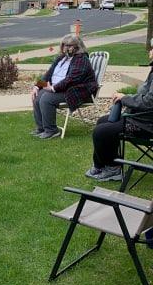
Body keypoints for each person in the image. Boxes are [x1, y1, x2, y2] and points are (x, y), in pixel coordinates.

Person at [85, 42, 153, 182]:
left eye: (152, 48)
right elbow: (145, 96)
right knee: (102, 121)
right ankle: (101, 165)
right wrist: (125, 97)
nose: (149, 51)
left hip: (146, 124)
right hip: (140, 117)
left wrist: (125, 99)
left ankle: (113, 169)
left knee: (102, 131)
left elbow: (149, 102)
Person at [31, 34, 97, 140]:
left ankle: (52, 131)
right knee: (38, 95)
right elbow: (48, 73)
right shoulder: (62, 58)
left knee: (46, 99)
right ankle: (42, 128)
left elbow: (71, 80)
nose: (65, 47)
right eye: (64, 45)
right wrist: (38, 86)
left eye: (69, 45)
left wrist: (53, 88)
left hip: (77, 91)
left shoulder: (81, 59)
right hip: (61, 89)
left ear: (77, 46)